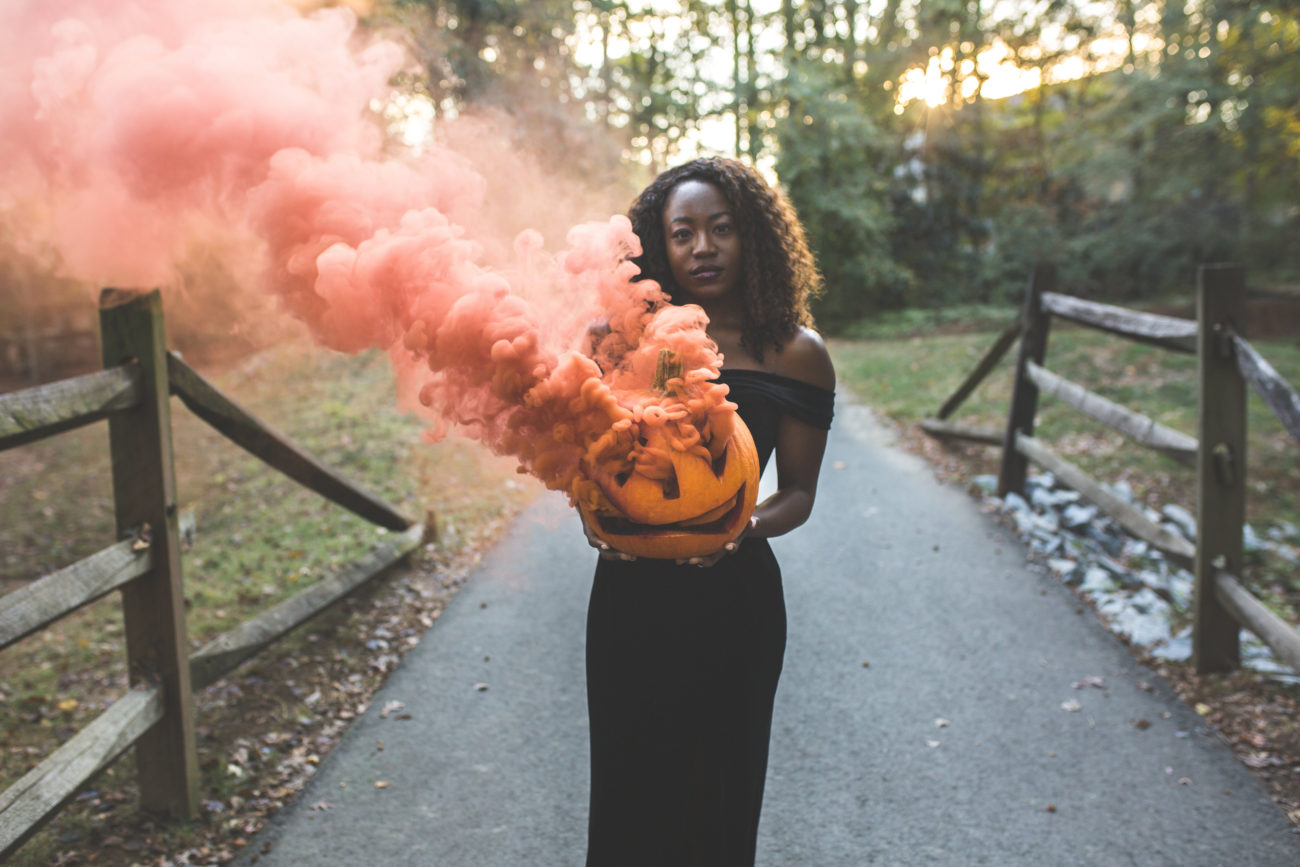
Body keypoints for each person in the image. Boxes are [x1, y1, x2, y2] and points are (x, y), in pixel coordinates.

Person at [583, 157, 836, 866]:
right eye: (684, 232)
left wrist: (735, 528)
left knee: (719, 799)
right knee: (629, 794)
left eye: (721, 229)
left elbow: (799, 494)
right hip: (629, 596)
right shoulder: (620, 341)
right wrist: (598, 517)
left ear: (752, 237)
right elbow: (592, 468)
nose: (703, 247)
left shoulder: (795, 353)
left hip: (735, 602)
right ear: (655, 244)